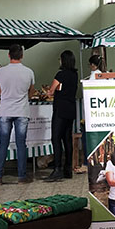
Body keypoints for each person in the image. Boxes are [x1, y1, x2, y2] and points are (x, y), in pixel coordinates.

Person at [0, 44, 36, 185]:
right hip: (22, 111)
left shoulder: (0, 72)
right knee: (21, 144)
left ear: (8, 55)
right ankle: (22, 176)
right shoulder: (28, 72)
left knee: (3, 144)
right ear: (22, 55)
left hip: (5, 110)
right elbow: (31, 91)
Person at [44, 49, 78, 182]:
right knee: (67, 139)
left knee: (56, 138)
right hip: (71, 109)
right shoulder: (74, 74)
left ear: (63, 60)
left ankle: (57, 169)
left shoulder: (60, 74)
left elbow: (51, 91)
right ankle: (67, 169)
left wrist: (48, 91)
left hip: (60, 110)